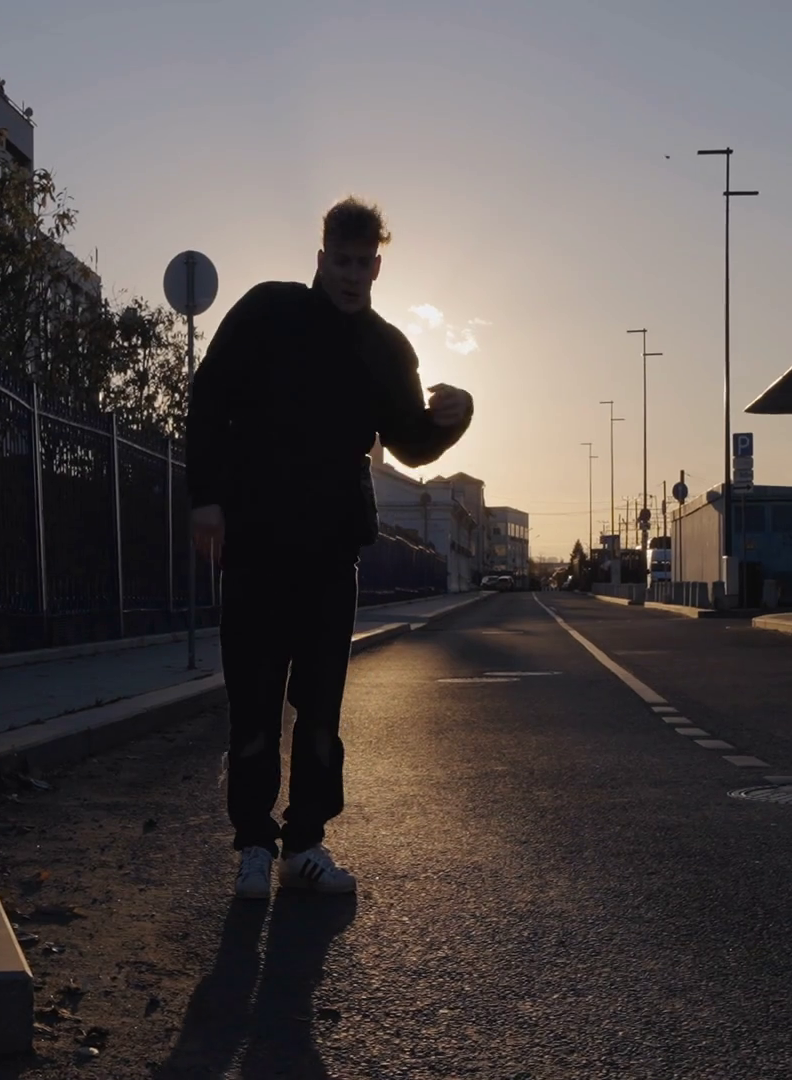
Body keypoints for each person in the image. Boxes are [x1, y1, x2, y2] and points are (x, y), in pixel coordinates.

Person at [186, 197, 474, 900]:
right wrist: (206, 498)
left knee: (319, 711)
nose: (349, 275)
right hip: (254, 545)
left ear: (377, 266)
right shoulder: (267, 313)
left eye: (361, 264)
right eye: (338, 261)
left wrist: (454, 419)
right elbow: (207, 396)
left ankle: (304, 844)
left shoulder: (385, 349)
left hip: (330, 554)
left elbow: (409, 438)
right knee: (252, 704)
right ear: (321, 259)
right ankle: (254, 843)